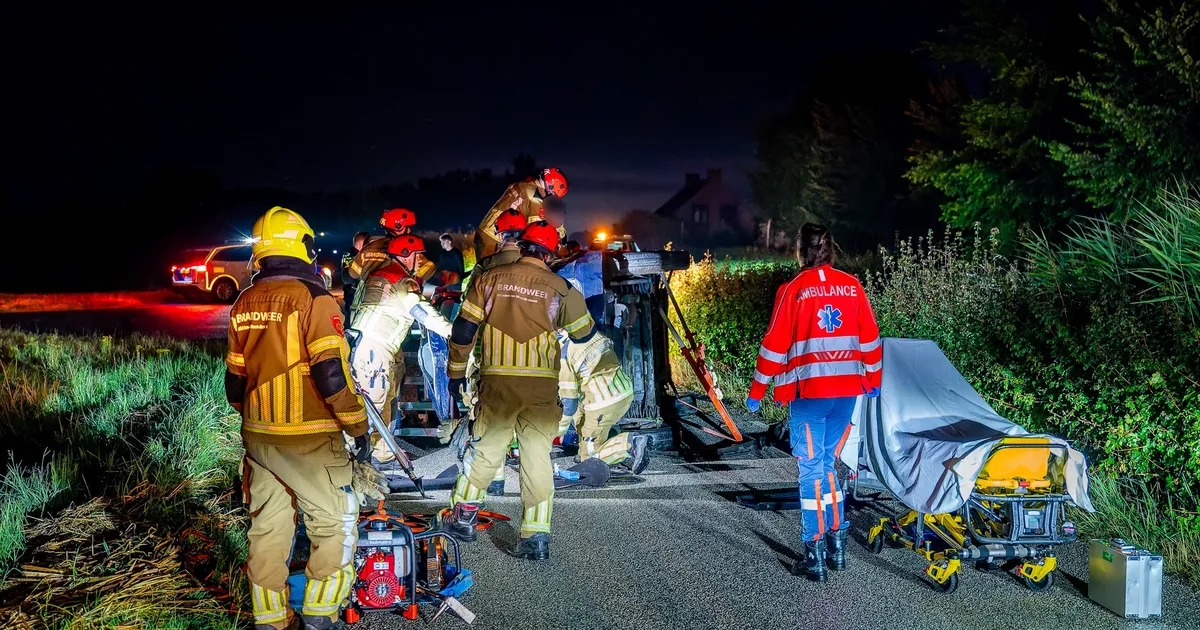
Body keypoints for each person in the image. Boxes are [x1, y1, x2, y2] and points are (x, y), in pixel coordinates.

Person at [224, 206, 376, 630]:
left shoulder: (244, 301)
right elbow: (331, 374)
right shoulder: (314, 298)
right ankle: (320, 617)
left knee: (267, 531)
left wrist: (260, 423)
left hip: (259, 439)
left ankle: (271, 620)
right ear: (302, 246)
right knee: (336, 525)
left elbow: (234, 382)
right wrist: (358, 426)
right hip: (309, 439)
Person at [440, 220, 596, 561]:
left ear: (521, 246)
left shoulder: (488, 279)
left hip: (497, 382)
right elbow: (584, 333)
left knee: (486, 451)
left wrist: (455, 373)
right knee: (537, 457)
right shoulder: (561, 288)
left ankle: (463, 519)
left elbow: (463, 330)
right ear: (550, 254)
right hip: (541, 387)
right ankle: (535, 538)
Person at [745, 223, 882, 583]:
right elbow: (870, 338)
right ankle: (837, 547)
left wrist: (758, 389)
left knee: (811, 472)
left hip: (810, 395)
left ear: (800, 251)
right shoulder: (852, 286)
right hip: (847, 394)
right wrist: (873, 382)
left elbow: (774, 344)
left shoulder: (793, 290)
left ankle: (814, 554)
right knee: (828, 465)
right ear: (830, 249)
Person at [348, 234, 453, 466]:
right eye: (418, 255)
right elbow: (423, 312)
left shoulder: (380, 274)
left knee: (379, 402)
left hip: (365, 347)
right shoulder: (402, 281)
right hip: (375, 351)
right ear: (406, 256)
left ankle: (381, 453)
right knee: (371, 407)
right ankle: (351, 461)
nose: (420, 260)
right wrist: (451, 332)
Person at [557, 329, 650, 475]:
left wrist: (559, 430)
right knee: (580, 416)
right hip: (622, 390)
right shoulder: (592, 333)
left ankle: (630, 443)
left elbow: (569, 403)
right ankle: (589, 448)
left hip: (602, 402)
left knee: (588, 462)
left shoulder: (564, 356)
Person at [473, 168, 568, 261]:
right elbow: (538, 228)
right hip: (494, 239)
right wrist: (559, 238)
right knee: (493, 269)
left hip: (488, 232)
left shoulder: (524, 185)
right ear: (551, 188)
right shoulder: (535, 198)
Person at [347, 208, 436, 293]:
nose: (409, 230)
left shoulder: (368, 248)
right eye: (407, 227)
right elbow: (430, 273)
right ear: (398, 227)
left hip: (368, 299)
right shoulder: (408, 252)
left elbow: (352, 274)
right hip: (397, 299)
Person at [341, 231, 370, 319]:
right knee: (352, 318)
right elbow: (351, 276)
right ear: (360, 243)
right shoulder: (352, 256)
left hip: (359, 291)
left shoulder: (357, 254)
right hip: (353, 292)